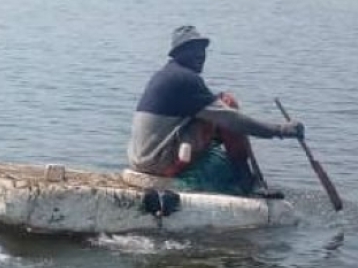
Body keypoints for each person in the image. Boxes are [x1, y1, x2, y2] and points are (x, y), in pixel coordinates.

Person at [127, 25, 305, 196]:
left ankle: (245, 178)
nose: (201, 55)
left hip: (140, 160)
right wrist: (280, 130)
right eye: (194, 50)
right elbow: (232, 119)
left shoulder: (167, 74)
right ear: (179, 53)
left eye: (202, 50)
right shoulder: (185, 79)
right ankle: (247, 182)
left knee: (218, 113)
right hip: (158, 163)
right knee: (228, 104)